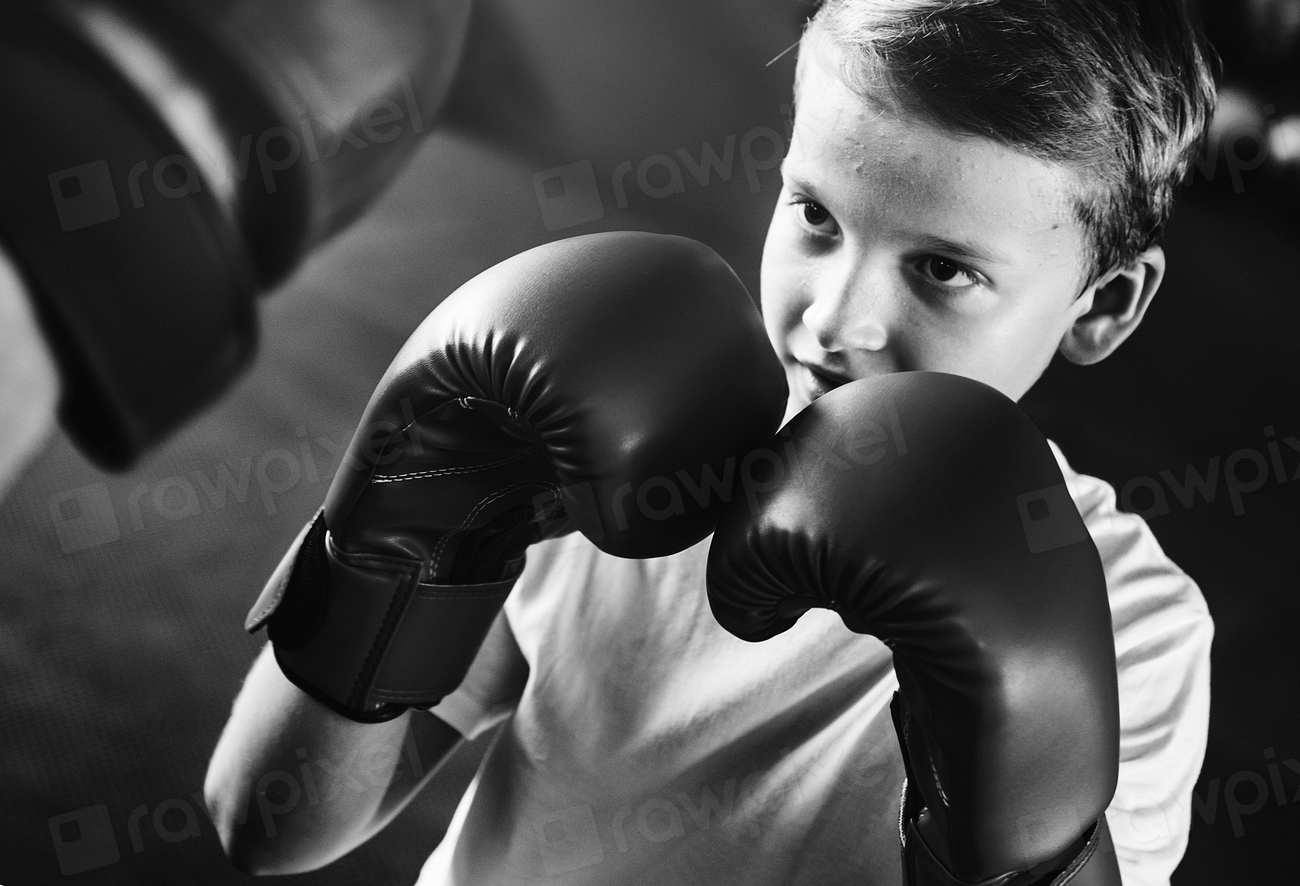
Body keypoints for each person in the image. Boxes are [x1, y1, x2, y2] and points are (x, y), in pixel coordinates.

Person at [204, 1, 1219, 884]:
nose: (834, 318)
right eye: (816, 214)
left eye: (943, 270)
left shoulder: (1135, 627)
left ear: (1107, 303)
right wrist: (401, 533)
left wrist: (1019, 813)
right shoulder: (632, 445)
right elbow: (265, 823)